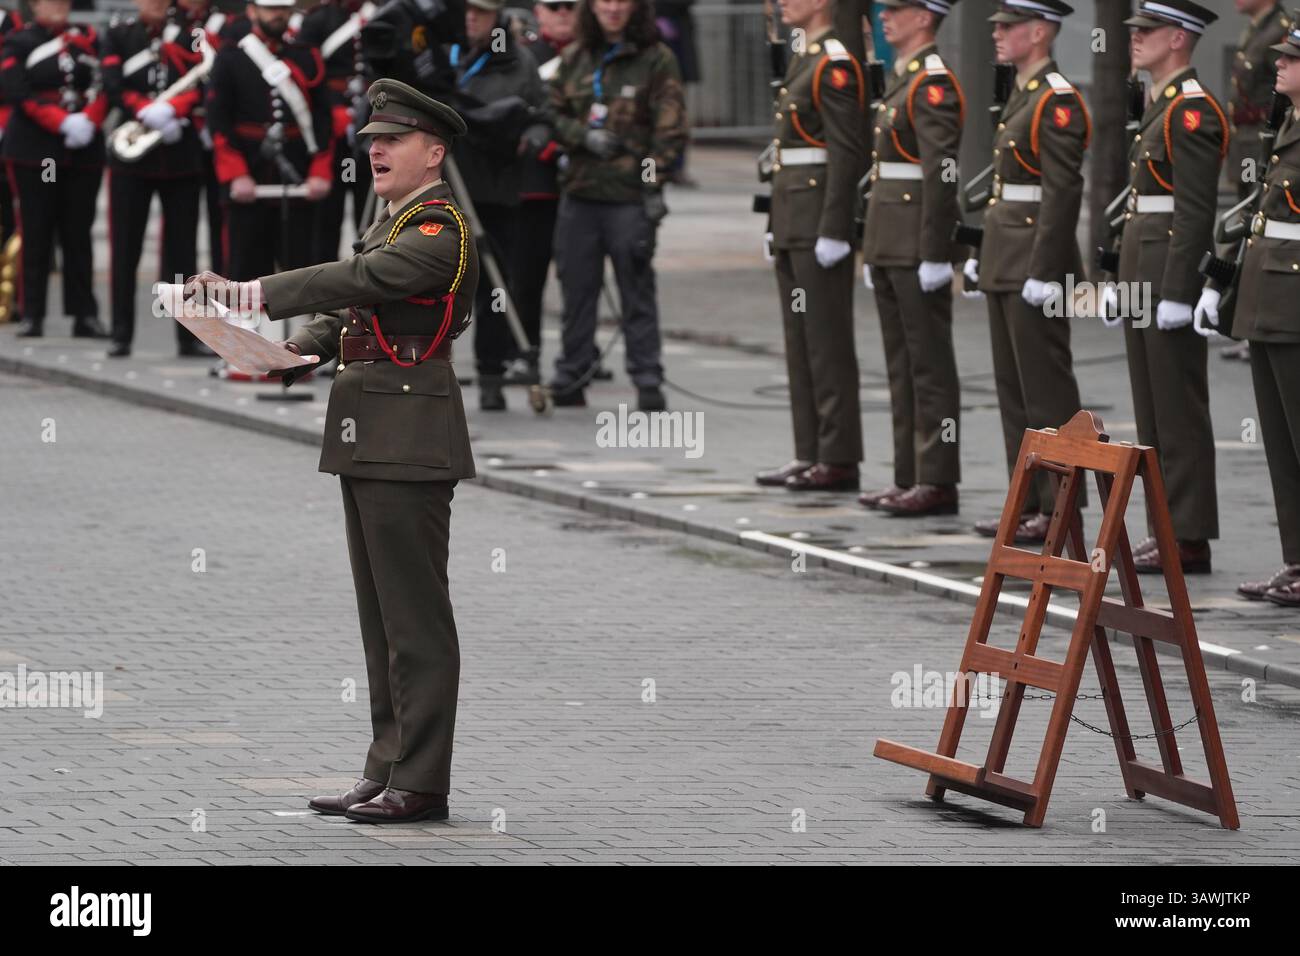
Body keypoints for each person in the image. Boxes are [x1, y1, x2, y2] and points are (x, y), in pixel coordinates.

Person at [187, 80, 479, 823]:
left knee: (415, 621)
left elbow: (363, 280)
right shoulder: (393, 221)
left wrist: (251, 295)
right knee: (380, 618)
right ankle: (386, 767)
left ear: (434, 152)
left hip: (409, 435)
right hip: (369, 429)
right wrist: (293, 349)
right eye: (372, 141)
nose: (375, 150)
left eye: (394, 141)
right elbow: (355, 308)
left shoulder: (437, 228)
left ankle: (422, 781)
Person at [1107, 0, 1225, 574]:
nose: (1135, 39)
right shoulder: (1160, 105)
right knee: (1152, 410)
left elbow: (1194, 212)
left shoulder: (1192, 111)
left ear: (1178, 38)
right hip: (1141, 271)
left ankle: (1190, 534)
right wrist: (1114, 280)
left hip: (1164, 278)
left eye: (1147, 31)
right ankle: (1166, 530)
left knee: (1177, 408)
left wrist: (1181, 290)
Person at [967, 0, 1086, 542]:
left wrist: (1046, 267)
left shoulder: (1056, 100)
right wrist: (981, 253)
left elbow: (1062, 192)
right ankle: (1031, 503)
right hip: (1005, 256)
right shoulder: (1024, 92)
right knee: (1014, 394)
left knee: (1046, 395)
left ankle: (1062, 510)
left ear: (1038, 32)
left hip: (1033, 261)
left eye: (1007, 26)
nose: (996, 33)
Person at [1199, 18, 1300, 606]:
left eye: (1290, 58)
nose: (1278, 64)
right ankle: (1295, 559)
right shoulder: (1285, 123)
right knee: (1282, 444)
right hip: (1268, 298)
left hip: (1293, 302)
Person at [546, 0, 687, 411]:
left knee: (637, 287)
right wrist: (580, 136)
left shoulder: (656, 59)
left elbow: (671, 128)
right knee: (576, 289)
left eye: (621, 0)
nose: (612, 8)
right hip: (579, 195)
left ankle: (647, 378)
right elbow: (551, 113)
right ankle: (572, 373)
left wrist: (651, 185)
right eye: (604, 0)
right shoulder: (574, 57)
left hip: (628, 199)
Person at [753, 0, 865, 493]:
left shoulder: (834, 63)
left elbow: (847, 151)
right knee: (800, 344)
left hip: (817, 215)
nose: (781, 4)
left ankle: (838, 456)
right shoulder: (805, 55)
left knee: (827, 342)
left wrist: (837, 227)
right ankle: (810, 450)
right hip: (792, 215)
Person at [859, 0, 964, 516]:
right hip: (889, 237)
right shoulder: (906, 77)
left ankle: (938, 479)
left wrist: (935, 251)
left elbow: (940, 173)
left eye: (896, 8)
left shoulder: (932, 82)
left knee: (929, 366)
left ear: (925, 17)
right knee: (900, 366)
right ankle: (909, 475)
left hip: (914, 240)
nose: (884, 16)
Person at [204, 0, 334, 331]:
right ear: (252, 12)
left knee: (301, 267)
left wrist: (319, 171)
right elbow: (219, 124)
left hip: (295, 173)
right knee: (243, 266)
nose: (277, 14)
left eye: (282, 8)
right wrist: (237, 174)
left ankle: (304, 346)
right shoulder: (231, 57)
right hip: (249, 172)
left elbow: (323, 121)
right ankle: (240, 347)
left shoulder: (306, 56)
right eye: (270, 8)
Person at [102, 0, 213, 358]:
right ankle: (121, 333)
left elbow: (207, 79)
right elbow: (112, 84)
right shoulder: (120, 35)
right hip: (132, 155)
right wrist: (143, 109)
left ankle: (188, 337)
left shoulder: (191, 35)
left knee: (182, 252)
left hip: (179, 155)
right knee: (125, 248)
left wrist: (175, 110)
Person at [452, 0, 544, 411]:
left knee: (494, 288)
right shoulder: (438, 51)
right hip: (440, 188)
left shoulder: (517, 61)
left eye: (482, 13)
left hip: (495, 188)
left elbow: (542, 112)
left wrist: (532, 135)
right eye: (466, 11)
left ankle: (492, 373)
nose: (471, 19)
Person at [0, 0, 109, 339]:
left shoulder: (88, 37)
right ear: (34, 6)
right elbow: (18, 91)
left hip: (82, 151)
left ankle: (84, 314)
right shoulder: (19, 41)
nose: (59, 6)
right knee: (37, 230)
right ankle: (32, 312)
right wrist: (61, 122)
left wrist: (90, 119)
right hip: (39, 153)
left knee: (78, 233)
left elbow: (107, 83)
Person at [506, 0, 577, 387]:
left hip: (584, 184)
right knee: (526, 277)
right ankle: (525, 352)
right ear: (539, 11)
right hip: (535, 185)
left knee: (581, 278)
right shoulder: (527, 57)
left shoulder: (591, 54)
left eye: (571, 6)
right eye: (555, 6)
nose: (563, 12)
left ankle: (580, 353)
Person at [1221, 0, 1292, 363]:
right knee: (1251, 228)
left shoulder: (1279, 26)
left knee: (1260, 226)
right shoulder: (1256, 27)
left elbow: (1279, 96)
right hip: (1248, 140)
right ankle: (1247, 320)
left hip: (1271, 143)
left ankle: (1256, 322)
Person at [297, 0, 374, 264]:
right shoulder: (317, 20)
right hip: (331, 136)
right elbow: (305, 76)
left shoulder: (381, 13)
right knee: (326, 220)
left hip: (372, 129)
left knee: (373, 218)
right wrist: (331, 109)